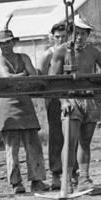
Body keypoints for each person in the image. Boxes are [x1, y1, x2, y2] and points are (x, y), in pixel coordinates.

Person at [49, 15, 101, 195]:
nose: (80, 37)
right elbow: (53, 81)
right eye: (77, 33)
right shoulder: (61, 51)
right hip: (71, 100)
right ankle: (66, 180)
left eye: (84, 33)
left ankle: (84, 179)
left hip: (90, 101)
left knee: (85, 143)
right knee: (70, 142)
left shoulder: (93, 51)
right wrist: (63, 100)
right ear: (71, 33)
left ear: (88, 34)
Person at [0, 26, 49, 194]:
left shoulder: (23, 56)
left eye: (8, 43)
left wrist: (25, 75)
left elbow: (34, 76)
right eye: (2, 44)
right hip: (8, 108)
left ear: (13, 42)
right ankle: (16, 183)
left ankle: (37, 180)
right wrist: (24, 75)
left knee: (34, 146)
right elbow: (7, 78)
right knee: (12, 149)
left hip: (25, 106)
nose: (6, 46)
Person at [38, 21, 68, 189]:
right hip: (54, 98)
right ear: (52, 37)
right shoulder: (48, 54)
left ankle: (73, 172)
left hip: (72, 96)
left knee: (73, 133)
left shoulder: (72, 51)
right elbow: (40, 76)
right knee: (56, 135)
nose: (61, 39)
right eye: (57, 37)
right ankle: (56, 173)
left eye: (64, 36)